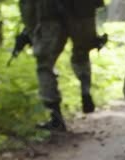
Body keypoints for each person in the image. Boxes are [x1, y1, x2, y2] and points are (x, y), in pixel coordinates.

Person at [18, 0, 106, 131]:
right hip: (83, 12)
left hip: (50, 15)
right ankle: (85, 90)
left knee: (45, 65)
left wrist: (31, 31)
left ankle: (55, 118)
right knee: (81, 54)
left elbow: (27, 4)